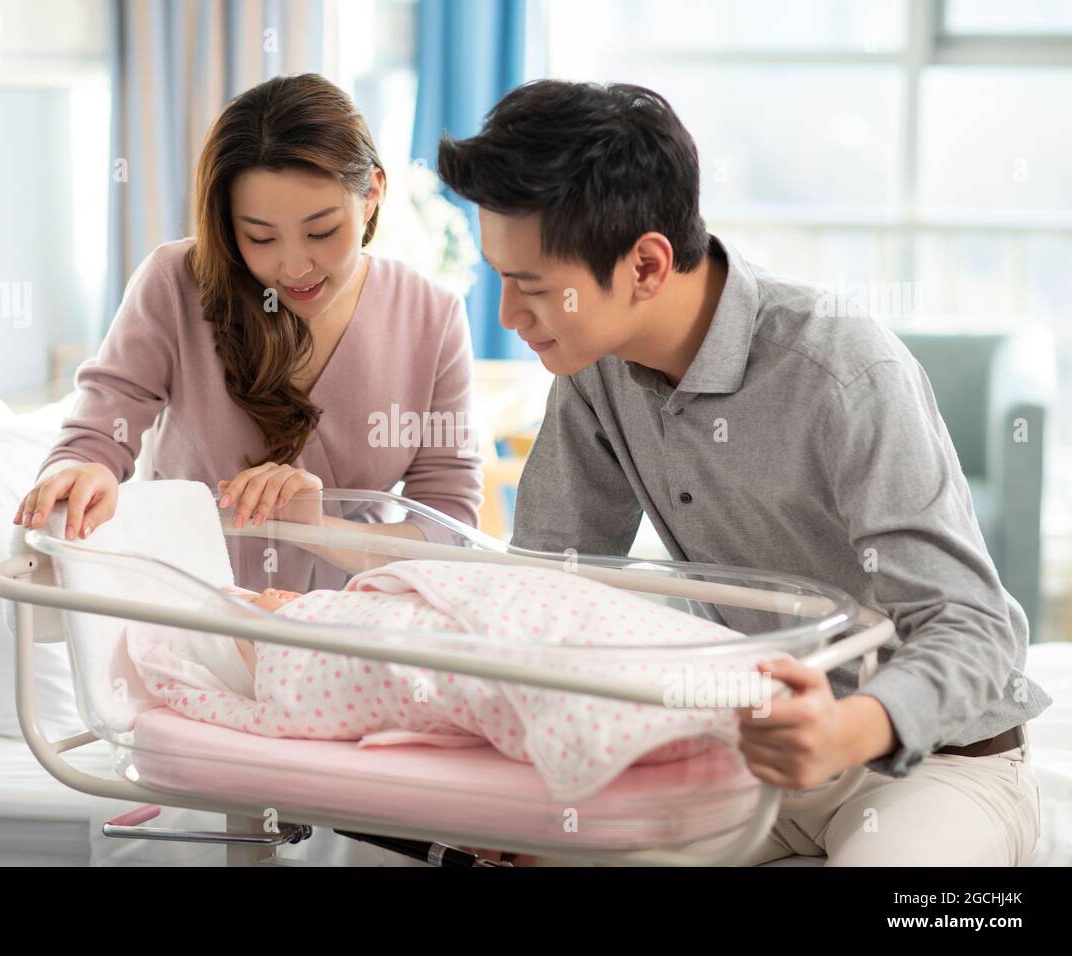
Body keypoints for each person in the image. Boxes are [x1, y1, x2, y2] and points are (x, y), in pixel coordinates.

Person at [436, 78, 1048, 866]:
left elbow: (975, 626)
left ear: (647, 265)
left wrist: (845, 731)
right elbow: (556, 590)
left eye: (532, 288)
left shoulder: (842, 372)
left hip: (936, 762)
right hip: (749, 755)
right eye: (500, 279)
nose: (508, 318)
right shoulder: (592, 371)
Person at [13, 73, 482, 592]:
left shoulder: (432, 318)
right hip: (186, 613)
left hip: (348, 628)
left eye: (322, 231)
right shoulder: (176, 284)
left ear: (371, 194)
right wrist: (85, 470)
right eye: (259, 237)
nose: (294, 266)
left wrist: (318, 527)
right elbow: (100, 432)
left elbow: (451, 534)